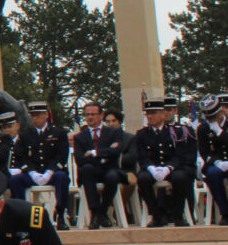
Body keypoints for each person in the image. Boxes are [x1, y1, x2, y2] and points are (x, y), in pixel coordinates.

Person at [9, 102, 72, 227]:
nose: (34, 118)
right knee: (15, 180)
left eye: (37, 115)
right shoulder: (26, 135)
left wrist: (49, 171)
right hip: (34, 173)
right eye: (32, 115)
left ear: (46, 115)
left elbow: (62, 156)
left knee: (63, 178)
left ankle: (60, 214)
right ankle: (21, 215)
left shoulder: (58, 133)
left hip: (52, 173)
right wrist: (31, 172)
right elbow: (21, 156)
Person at [134, 98, 195, 227]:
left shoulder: (176, 132)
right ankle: (156, 215)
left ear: (163, 114)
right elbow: (142, 156)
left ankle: (178, 215)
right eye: (148, 113)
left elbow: (180, 154)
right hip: (153, 168)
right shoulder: (141, 134)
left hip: (171, 168)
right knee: (143, 178)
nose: (150, 116)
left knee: (180, 177)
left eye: (154, 113)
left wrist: (168, 168)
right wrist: (151, 168)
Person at [74, 102, 124, 228]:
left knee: (112, 177)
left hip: (109, 169)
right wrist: (103, 156)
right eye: (87, 114)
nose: (90, 117)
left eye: (93, 114)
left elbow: (116, 152)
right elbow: (80, 159)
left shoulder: (113, 132)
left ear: (101, 115)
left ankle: (102, 211)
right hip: (91, 172)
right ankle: (95, 213)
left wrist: (94, 153)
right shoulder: (80, 137)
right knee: (86, 169)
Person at [196, 95, 228, 225]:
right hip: (217, 164)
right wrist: (217, 162)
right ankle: (225, 213)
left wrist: (219, 132)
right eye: (209, 118)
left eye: (213, 116)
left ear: (221, 111)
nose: (211, 120)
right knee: (212, 174)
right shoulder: (203, 129)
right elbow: (204, 152)